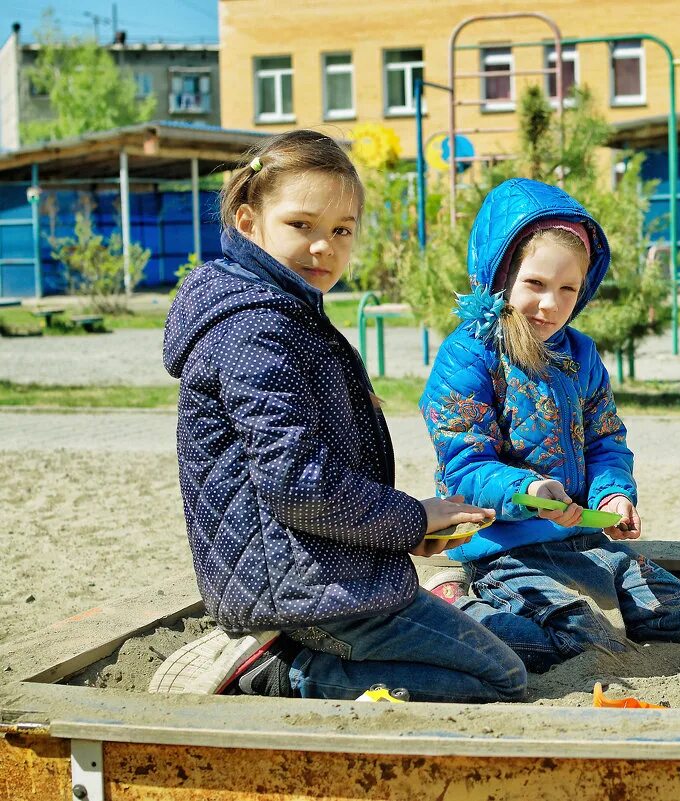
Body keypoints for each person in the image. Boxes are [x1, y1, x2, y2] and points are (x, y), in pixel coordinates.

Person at [153, 130, 526, 703]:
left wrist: (400, 536)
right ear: (248, 222)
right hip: (298, 587)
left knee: (497, 670)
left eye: (341, 230)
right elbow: (299, 483)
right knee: (498, 680)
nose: (323, 247)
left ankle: (290, 656)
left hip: (322, 567)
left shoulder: (286, 312)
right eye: (301, 225)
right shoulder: (255, 329)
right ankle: (277, 674)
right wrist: (409, 518)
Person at [419, 177, 680, 673]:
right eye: (534, 284)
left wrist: (612, 496)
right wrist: (530, 487)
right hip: (506, 549)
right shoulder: (468, 355)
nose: (550, 304)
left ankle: (578, 608)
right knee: (581, 641)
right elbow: (466, 469)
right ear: (501, 275)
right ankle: (454, 603)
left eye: (567, 289)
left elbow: (605, 440)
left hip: (584, 542)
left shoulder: (579, 353)